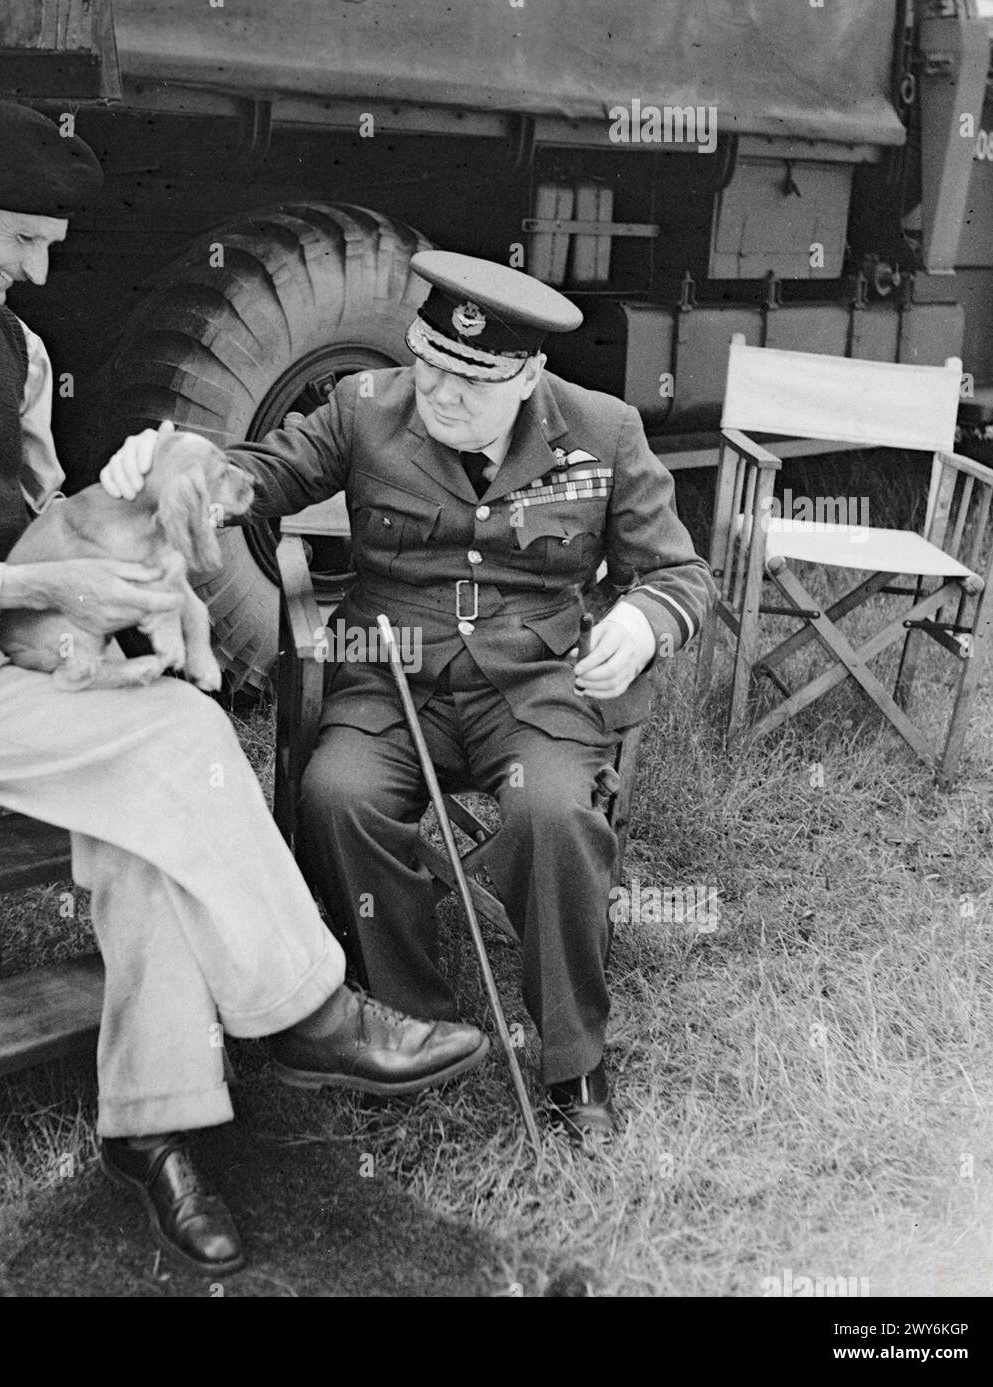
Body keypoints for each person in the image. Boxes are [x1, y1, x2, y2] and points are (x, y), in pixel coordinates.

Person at [0, 101, 487, 1278]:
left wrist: (129, 510)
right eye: (21, 240)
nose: (37, 270)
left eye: (49, 245)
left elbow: (40, 515)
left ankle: (158, 1131)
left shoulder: (20, 348)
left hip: (24, 636)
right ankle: (309, 1012)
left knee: (146, 824)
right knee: (173, 740)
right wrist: (34, 600)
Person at [102, 251, 716, 1142]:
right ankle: (412, 1021)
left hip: (532, 689)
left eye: (468, 378)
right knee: (336, 795)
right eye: (428, 361)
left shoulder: (604, 432)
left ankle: (575, 1063)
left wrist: (645, 620)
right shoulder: (365, 405)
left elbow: (681, 572)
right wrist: (172, 462)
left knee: (551, 814)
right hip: (390, 678)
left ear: (529, 375)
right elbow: (259, 475)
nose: (438, 391)